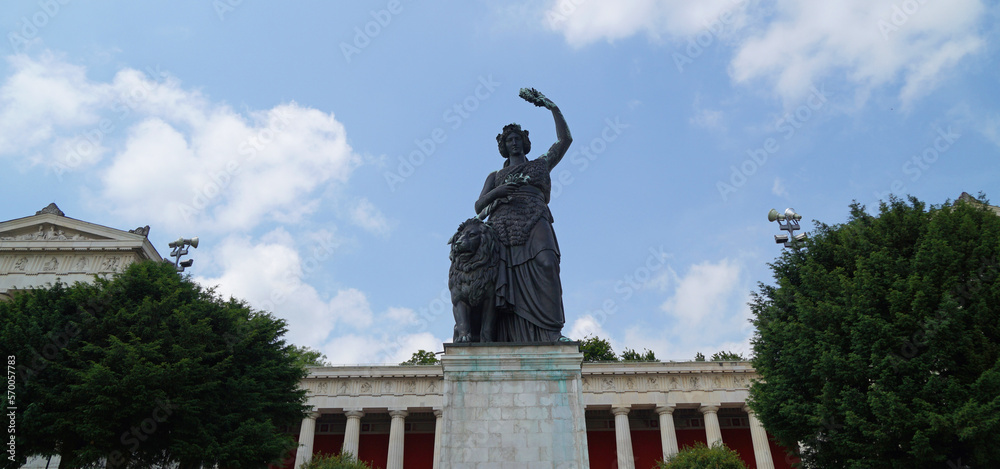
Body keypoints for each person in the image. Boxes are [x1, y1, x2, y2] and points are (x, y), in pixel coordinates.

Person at [474, 88, 572, 342]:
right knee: (501, 280)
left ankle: (552, 331)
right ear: (503, 147)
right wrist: (499, 192)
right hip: (502, 224)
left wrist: (552, 107)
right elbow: (478, 206)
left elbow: (565, 141)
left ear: (525, 141)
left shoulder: (541, 163)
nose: (514, 142)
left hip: (535, 214)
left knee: (548, 263)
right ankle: (502, 335)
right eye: (509, 140)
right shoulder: (495, 176)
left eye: (517, 138)